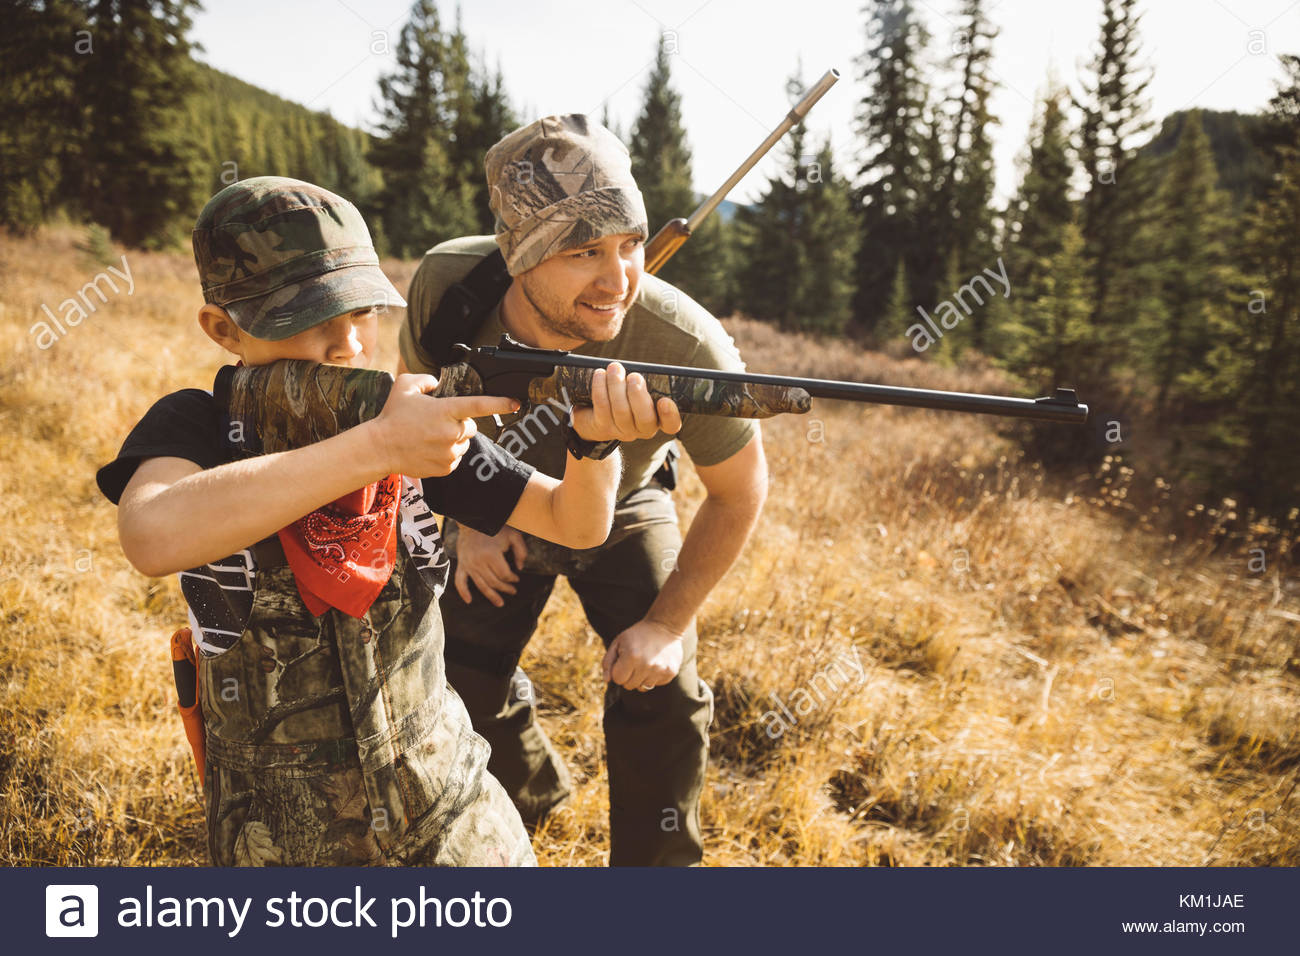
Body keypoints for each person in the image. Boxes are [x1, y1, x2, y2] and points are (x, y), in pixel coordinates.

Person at [94, 176, 681, 866]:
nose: (347, 343)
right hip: (282, 840)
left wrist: (594, 444)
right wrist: (376, 449)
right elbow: (152, 534)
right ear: (223, 329)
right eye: (308, 318)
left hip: (448, 806)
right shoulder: (197, 424)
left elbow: (572, 522)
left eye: (362, 312)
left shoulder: (409, 424)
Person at [398, 115, 768, 866]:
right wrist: (467, 523)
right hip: (492, 500)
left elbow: (740, 493)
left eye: (630, 245)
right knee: (453, 676)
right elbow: (417, 422)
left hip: (626, 503)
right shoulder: (448, 287)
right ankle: (526, 798)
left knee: (662, 691)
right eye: (583, 251)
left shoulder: (684, 346)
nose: (619, 279)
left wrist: (666, 626)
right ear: (518, 254)